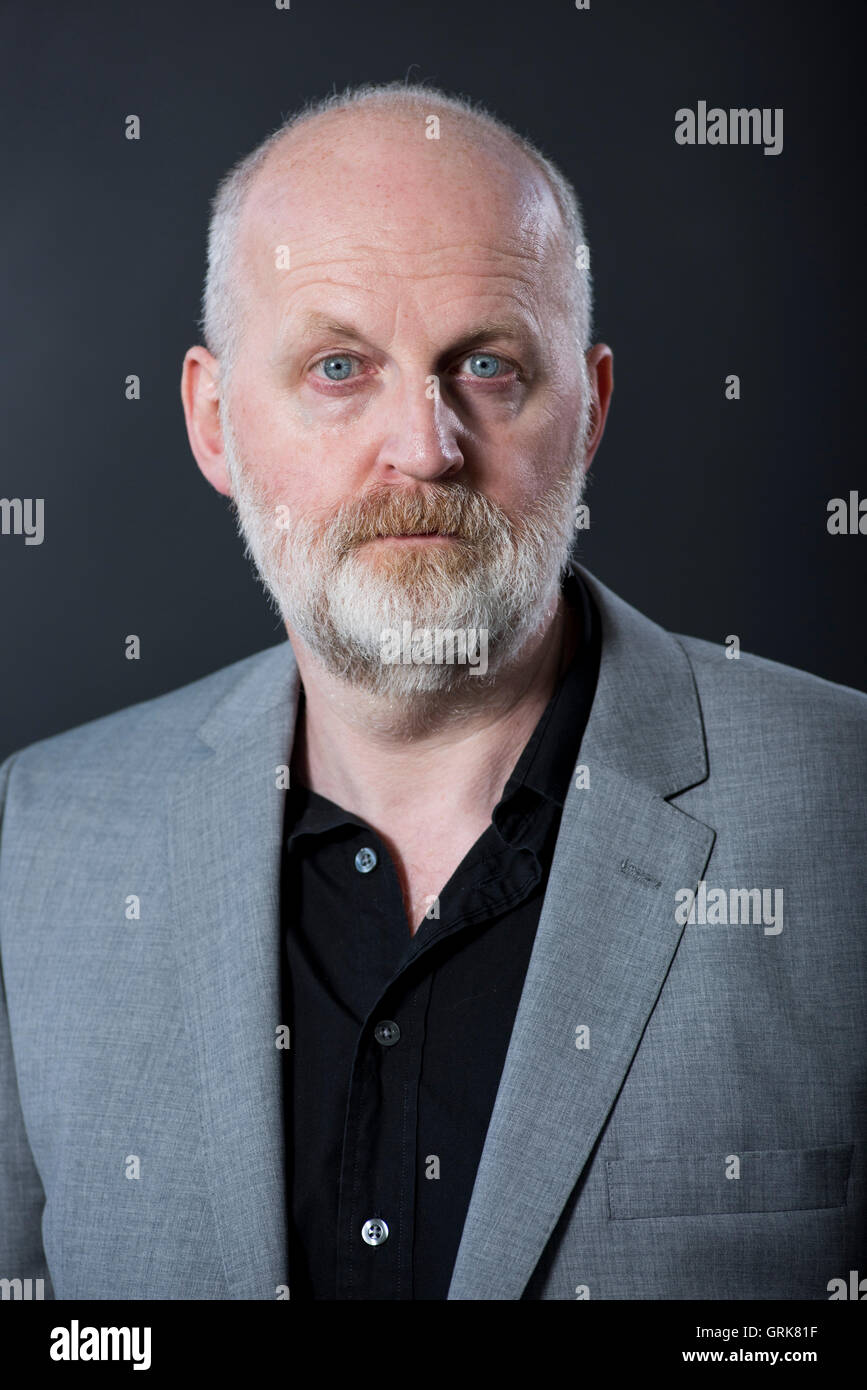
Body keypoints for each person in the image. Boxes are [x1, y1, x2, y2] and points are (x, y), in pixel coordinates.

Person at [1, 81, 864, 1302]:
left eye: (490, 365)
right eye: (340, 364)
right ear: (211, 423)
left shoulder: (849, 813)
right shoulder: (33, 845)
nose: (424, 445)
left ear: (592, 412)